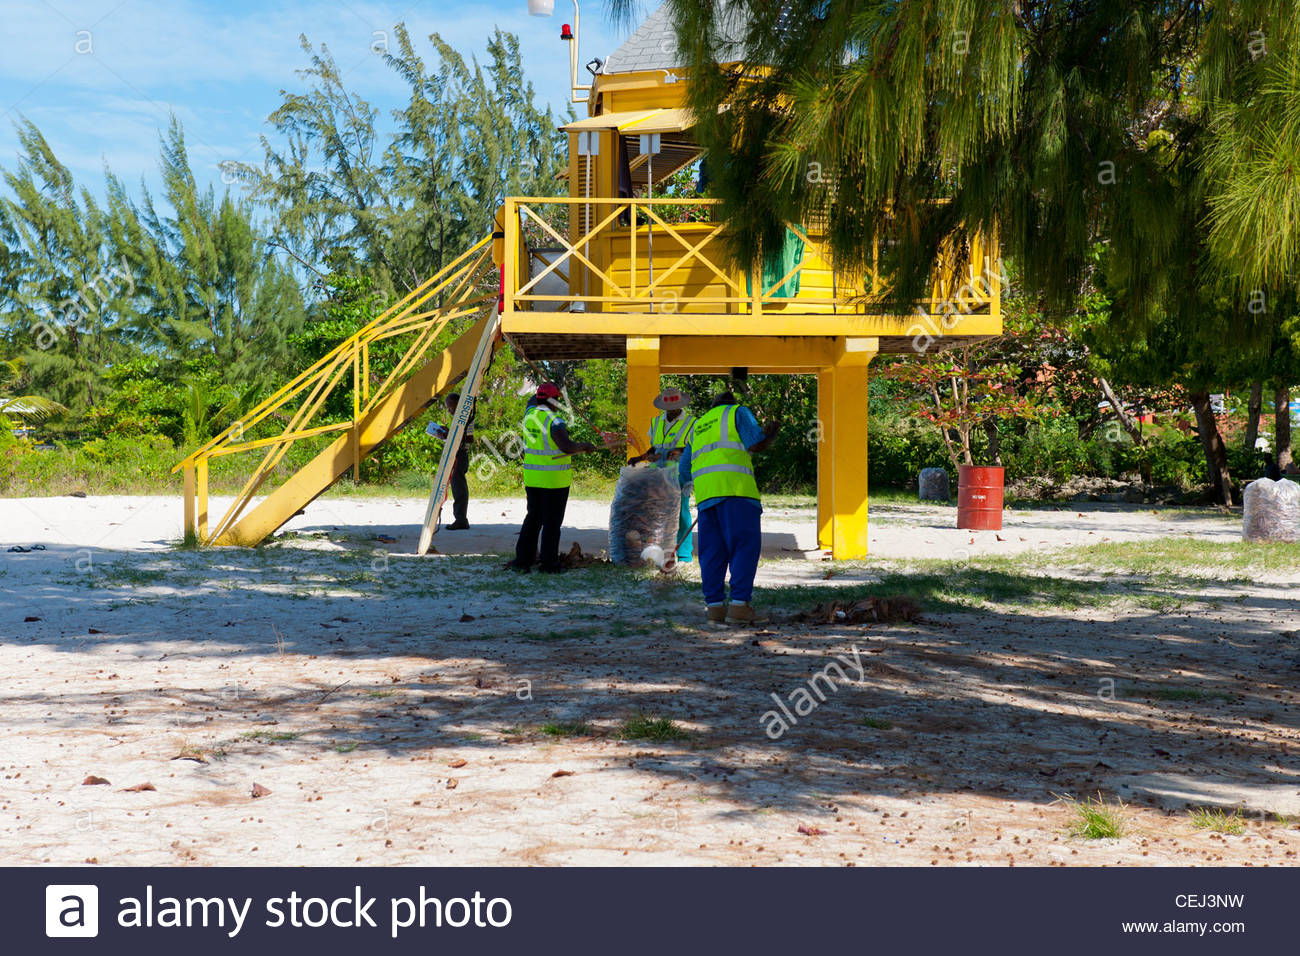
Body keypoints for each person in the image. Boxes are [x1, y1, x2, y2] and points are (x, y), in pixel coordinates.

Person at [678, 391, 779, 623]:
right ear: (731, 404)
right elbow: (755, 443)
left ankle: (714, 608)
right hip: (737, 493)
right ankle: (739, 607)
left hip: (706, 497)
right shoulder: (738, 412)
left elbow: (684, 471)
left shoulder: (698, 426)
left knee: (712, 553)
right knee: (743, 546)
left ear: (713, 407)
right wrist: (772, 434)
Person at [509, 382, 598, 573]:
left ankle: (522, 559)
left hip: (533, 479)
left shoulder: (529, 415)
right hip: (554, 481)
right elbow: (566, 446)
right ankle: (549, 564)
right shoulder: (554, 421)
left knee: (533, 519)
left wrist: (545, 391)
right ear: (554, 400)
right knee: (551, 523)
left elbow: (533, 400)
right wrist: (584, 446)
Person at [631, 387, 696, 563]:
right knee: (657, 511)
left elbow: (696, 446)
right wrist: (642, 457)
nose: (672, 409)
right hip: (658, 472)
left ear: (680, 405)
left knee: (680, 510)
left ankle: (683, 553)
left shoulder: (691, 423)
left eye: (675, 406)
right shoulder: (657, 422)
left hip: (679, 471)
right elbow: (654, 447)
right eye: (669, 406)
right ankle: (660, 549)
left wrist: (679, 450)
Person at [425, 392, 475, 530]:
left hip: (460, 455)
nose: (449, 410)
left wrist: (447, 436)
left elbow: (469, 438)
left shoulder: (467, 417)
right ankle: (460, 518)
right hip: (457, 454)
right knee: (456, 486)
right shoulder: (460, 418)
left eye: (450, 407)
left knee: (459, 487)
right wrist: (448, 433)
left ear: (456, 404)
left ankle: (461, 519)